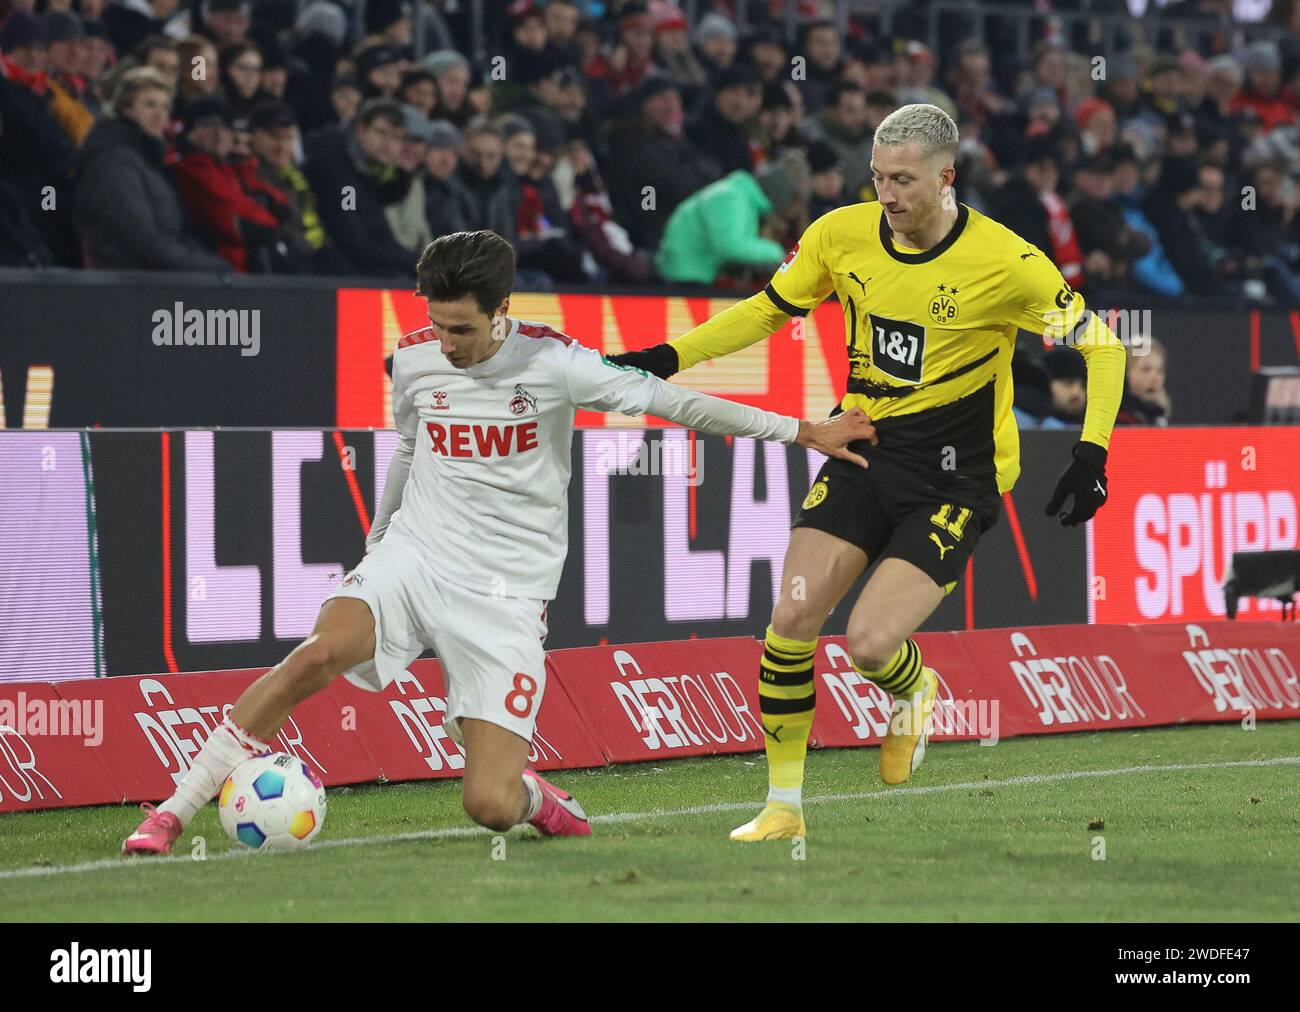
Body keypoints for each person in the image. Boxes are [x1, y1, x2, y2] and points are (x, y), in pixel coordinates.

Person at [121, 228, 880, 855]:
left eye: (462, 327)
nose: (445, 341)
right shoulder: (416, 359)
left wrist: (802, 430)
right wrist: (377, 545)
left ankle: (538, 798)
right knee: (317, 652)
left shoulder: (555, 364)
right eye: (436, 321)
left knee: (488, 804)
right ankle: (172, 812)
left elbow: (674, 403)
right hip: (415, 554)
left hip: (508, 590)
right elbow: (412, 450)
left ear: (502, 311)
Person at [608, 104, 1128, 842]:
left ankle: (915, 688)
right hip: (861, 447)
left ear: (948, 178)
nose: (887, 195)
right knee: (789, 621)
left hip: (956, 476)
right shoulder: (839, 234)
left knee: (871, 645)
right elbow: (767, 309)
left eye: (905, 181)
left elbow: (1105, 349)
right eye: (879, 178)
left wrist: (1091, 453)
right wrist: (668, 357)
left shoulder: (1008, 264)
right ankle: (783, 807)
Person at [75, 67, 228, 270]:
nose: (159, 115)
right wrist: (211, 268)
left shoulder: (146, 158)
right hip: (129, 285)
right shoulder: (114, 161)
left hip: (152, 279)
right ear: (126, 109)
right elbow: (140, 239)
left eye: (165, 108)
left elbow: (172, 235)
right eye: (149, 105)